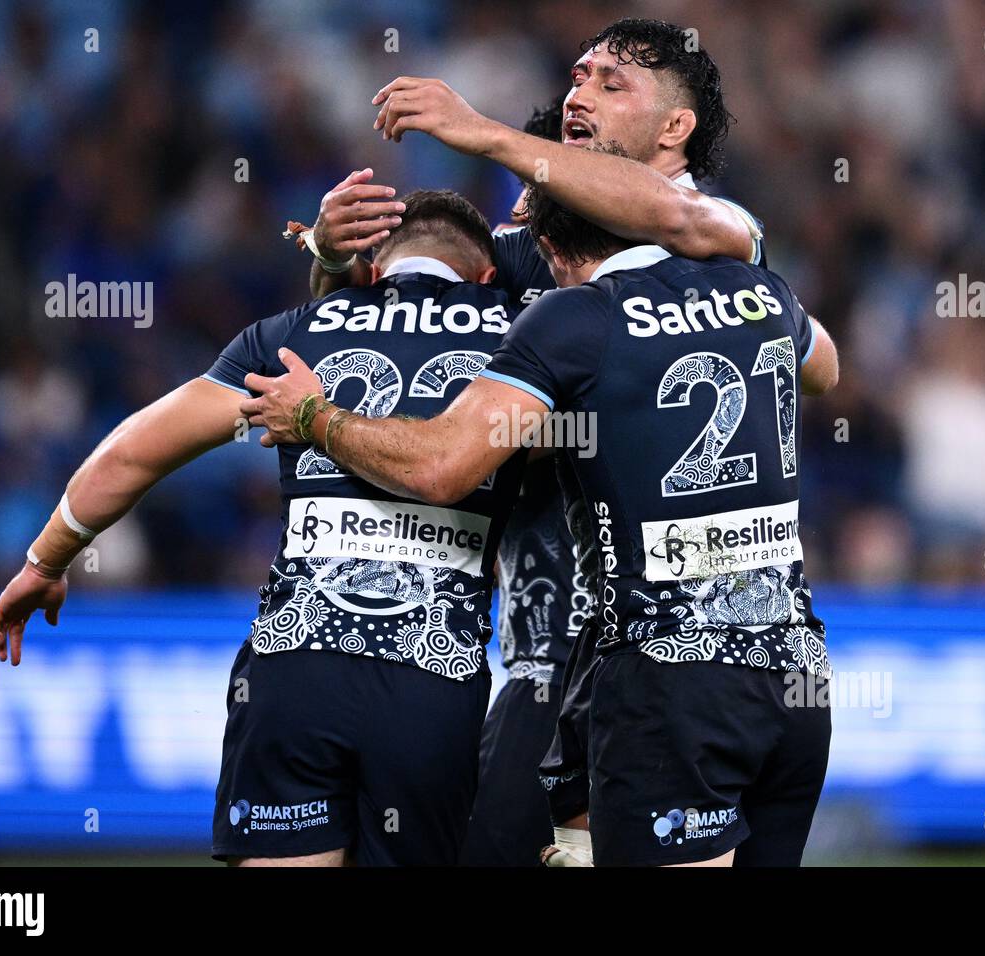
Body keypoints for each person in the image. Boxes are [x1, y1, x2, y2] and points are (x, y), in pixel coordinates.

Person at [241, 181, 840, 867]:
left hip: (603, 671)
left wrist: (317, 409)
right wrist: (329, 258)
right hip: (781, 662)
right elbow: (823, 364)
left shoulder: (560, 321)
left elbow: (433, 448)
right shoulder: (751, 292)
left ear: (542, 237)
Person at [290, 15, 773, 866]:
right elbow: (374, 322)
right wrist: (330, 257)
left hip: (676, 657)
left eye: (608, 82)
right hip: (549, 659)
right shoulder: (533, 262)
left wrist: (480, 131)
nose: (578, 94)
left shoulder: (718, 231)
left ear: (674, 130)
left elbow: (676, 219)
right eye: (577, 79)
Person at [0, 190, 526, 867]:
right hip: (431, 684)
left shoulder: (291, 334)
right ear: (484, 278)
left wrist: (45, 562)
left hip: (293, 677)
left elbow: (132, 451)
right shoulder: (522, 339)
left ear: (368, 269)